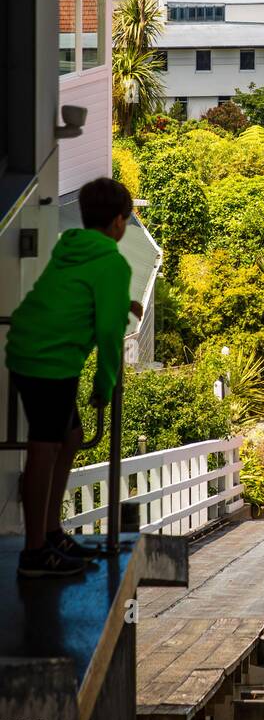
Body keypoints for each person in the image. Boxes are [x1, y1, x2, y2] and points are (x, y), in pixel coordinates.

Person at [6, 178, 140, 579]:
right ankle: (34, 552)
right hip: (50, 359)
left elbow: (76, 294)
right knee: (44, 451)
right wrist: (105, 384)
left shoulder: (71, 247)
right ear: (118, 222)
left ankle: (51, 532)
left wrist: (123, 302)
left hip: (33, 347)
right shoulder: (113, 262)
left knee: (71, 437)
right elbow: (109, 335)